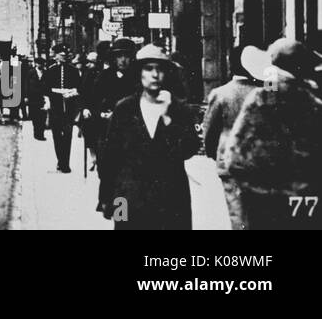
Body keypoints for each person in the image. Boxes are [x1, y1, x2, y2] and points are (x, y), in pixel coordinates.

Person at [96, 45, 201, 230]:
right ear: (139, 73)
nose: (155, 75)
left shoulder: (178, 109)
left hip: (170, 197)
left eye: (160, 69)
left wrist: (169, 119)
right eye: (149, 68)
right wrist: (105, 197)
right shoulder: (124, 109)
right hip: (127, 195)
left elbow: (190, 147)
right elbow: (110, 157)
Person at [223, 39, 322, 230]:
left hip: (264, 202)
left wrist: (251, 189)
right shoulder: (313, 104)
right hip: (306, 202)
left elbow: (234, 157)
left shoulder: (261, 99)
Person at [201, 42, 261, 231]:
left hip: (228, 161)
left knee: (236, 211)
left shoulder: (220, 94)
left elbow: (209, 130)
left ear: (230, 63)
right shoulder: (261, 93)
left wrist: (213, 154)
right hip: (257, 159)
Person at [83, 38, 138, 171]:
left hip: (131, 131)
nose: (123, 60)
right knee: (107, 170)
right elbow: (94, 100)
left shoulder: (137, 77)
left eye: (127, 56)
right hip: (107, 129)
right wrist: (99, 113)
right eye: (120, 56)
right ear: (114, 58)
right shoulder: (104, 77)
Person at [42, 43, 82, 172]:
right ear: (56, 56)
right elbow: (44, 89)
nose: (63, 56)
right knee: (57, 136)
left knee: (68, 135)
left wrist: (72, 92)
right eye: (61, 54)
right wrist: (48, 100)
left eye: (65, 54)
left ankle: (66, 163)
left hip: (69, 107)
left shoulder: (74, 71)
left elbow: (79, 87)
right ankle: (60, 160)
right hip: (56, 107)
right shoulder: (50, 71)